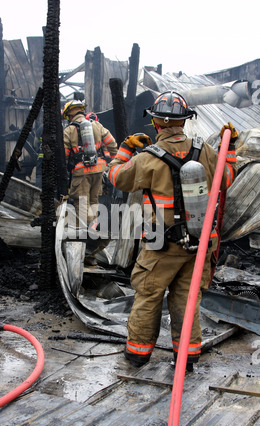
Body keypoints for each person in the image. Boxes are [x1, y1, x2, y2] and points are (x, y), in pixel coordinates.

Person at [109, 90, 238, 370]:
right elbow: (225, 179)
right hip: (199, 242)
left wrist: (125, 150)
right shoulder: (204, 150)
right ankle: (187, 356)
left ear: (156, 123)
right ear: (184, 121)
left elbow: (118, 178)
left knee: (149, 295)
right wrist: (230, 152)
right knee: (187, 298)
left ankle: (137, 354)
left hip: (161, 245)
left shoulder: (147, 157)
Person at [63, 100, 118, 265]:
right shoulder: (97, 126)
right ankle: (94, 240)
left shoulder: (69, 130)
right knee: (94, 203)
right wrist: (109, 165)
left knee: (82, 206)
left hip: (81, 173)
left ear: (69, 115)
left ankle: (86, 246)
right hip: (99, 170)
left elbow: (64, 156)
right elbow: (113, 145)